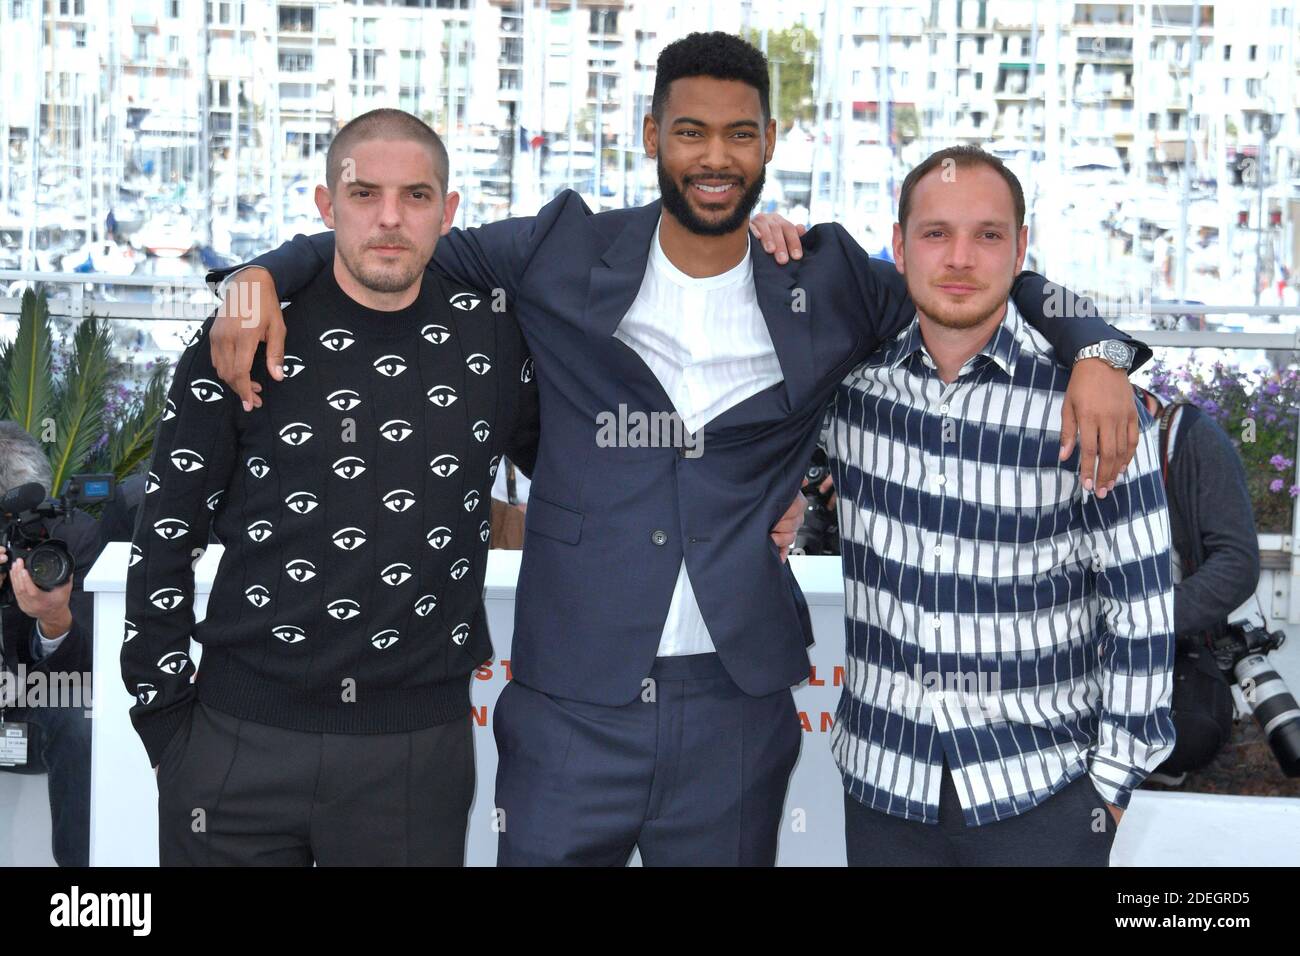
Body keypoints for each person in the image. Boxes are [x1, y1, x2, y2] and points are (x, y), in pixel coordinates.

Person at [206, 34, 1145, 866]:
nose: (715, 156)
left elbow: (974, 275)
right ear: (652, 135)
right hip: (571, 697)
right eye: (691, 131)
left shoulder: (824, 279)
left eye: (740, 134)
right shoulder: (563, 249)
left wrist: (1096, 350)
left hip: (735, 708)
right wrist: (256, 276)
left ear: (769, 145)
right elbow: (396, 241)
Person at [121, 109, 539, 866]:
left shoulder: (496, 344)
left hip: (414, 760)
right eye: (363, 193)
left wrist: (746, 489)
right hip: (232, 749)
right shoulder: (243, 336)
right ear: (325, 204)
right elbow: (163, 540)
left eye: (416, 196)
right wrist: (165, 724)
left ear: (447, 212)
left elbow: (591, 468)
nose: (388, 217)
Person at [810, 146, 1175, 866]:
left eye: (988, 235)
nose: (960, 259)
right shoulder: (848, 392)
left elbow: (1142, 605)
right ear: (898, 246)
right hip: (883, 793)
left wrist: (1107, 789)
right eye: (936, 233)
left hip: (1042, 799)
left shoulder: (1094, 407)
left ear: (1021, 250)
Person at [1136, 386, 1260, 782]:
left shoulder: (1188, 436)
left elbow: (1236, 564)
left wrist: (1142, 622)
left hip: (1169, 645)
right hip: (1073, 646)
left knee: (1188, 732)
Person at [0, 421, 96, 867]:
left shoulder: (71, 539)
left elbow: (94, 659)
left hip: (44, 703)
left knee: (78, 720)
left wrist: (53, 617)